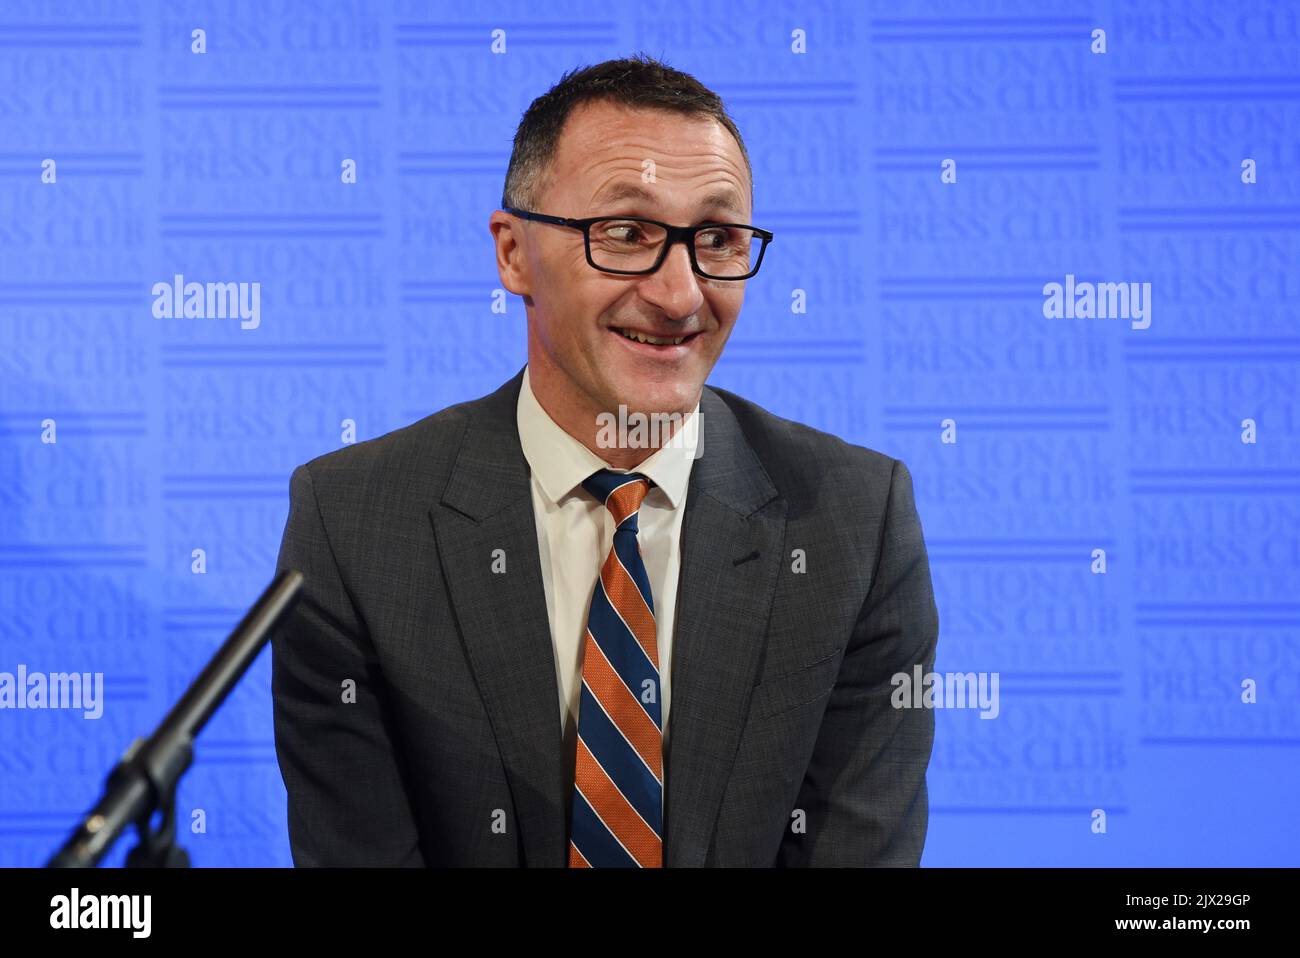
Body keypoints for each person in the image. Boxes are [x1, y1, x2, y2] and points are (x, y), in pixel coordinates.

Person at [271, 53, 939, 867]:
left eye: (718, 239)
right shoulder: (355, 524)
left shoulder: (852, 523)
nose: (680, 294)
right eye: (626, 234)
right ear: (513, 253)